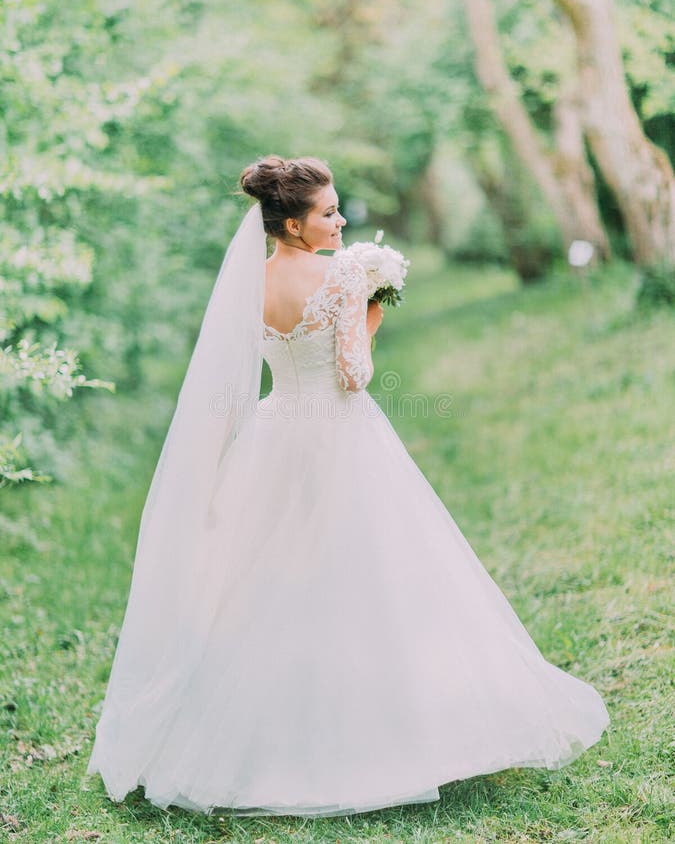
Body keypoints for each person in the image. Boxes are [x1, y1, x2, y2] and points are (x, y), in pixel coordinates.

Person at [85, 155, 610, 818]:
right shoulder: (340, 275)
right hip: (338, 435)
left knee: (270, 584)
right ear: (295, 225)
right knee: (368, 577)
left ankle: (260, 729)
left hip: (274, 432)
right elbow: (352, 375)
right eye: (327, 212)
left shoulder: (252, 280)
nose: (338, 221)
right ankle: (377, 727)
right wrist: (371, 314)